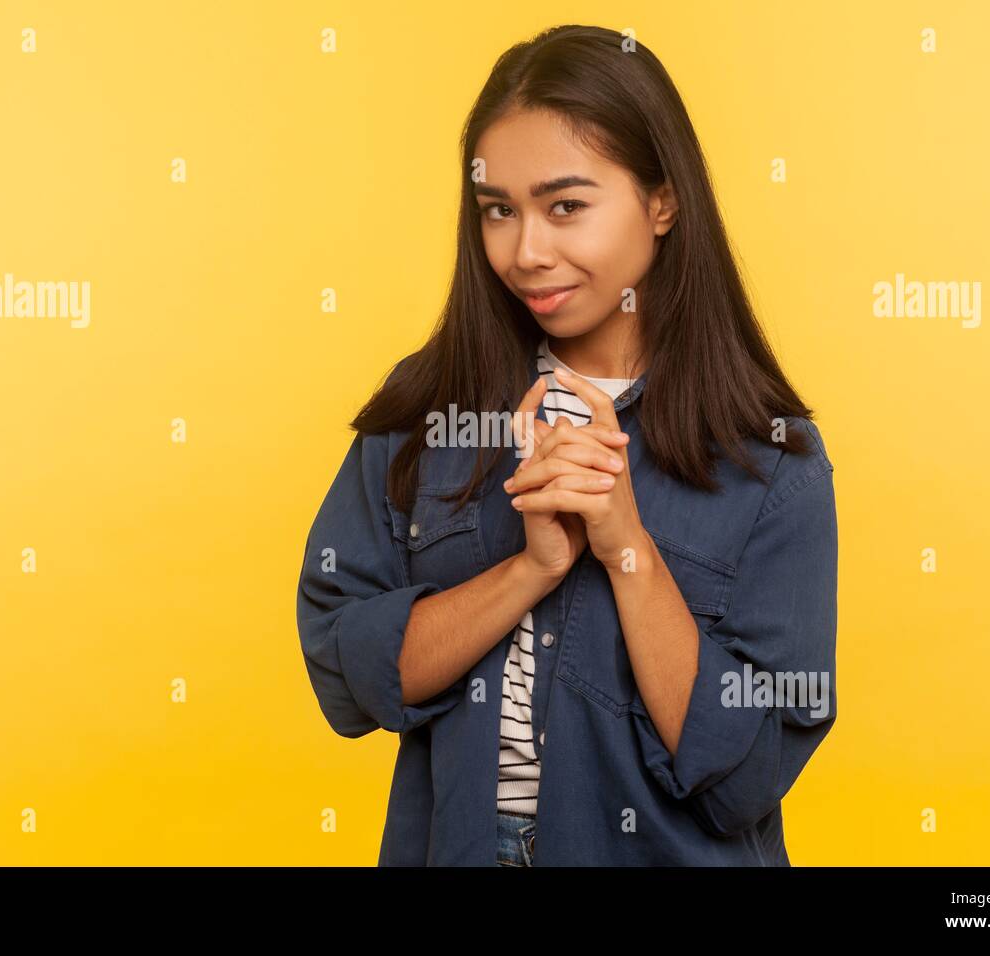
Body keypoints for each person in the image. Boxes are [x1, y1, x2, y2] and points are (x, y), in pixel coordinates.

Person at [296, 24, 838, 866]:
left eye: (567, 207)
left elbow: (746, 774)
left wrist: (626, 547)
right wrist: (530, 570)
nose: (526, 252)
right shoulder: (428, 412)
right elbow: (348, 674)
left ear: (663, 201)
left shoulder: (769, 459)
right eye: (498, 211)